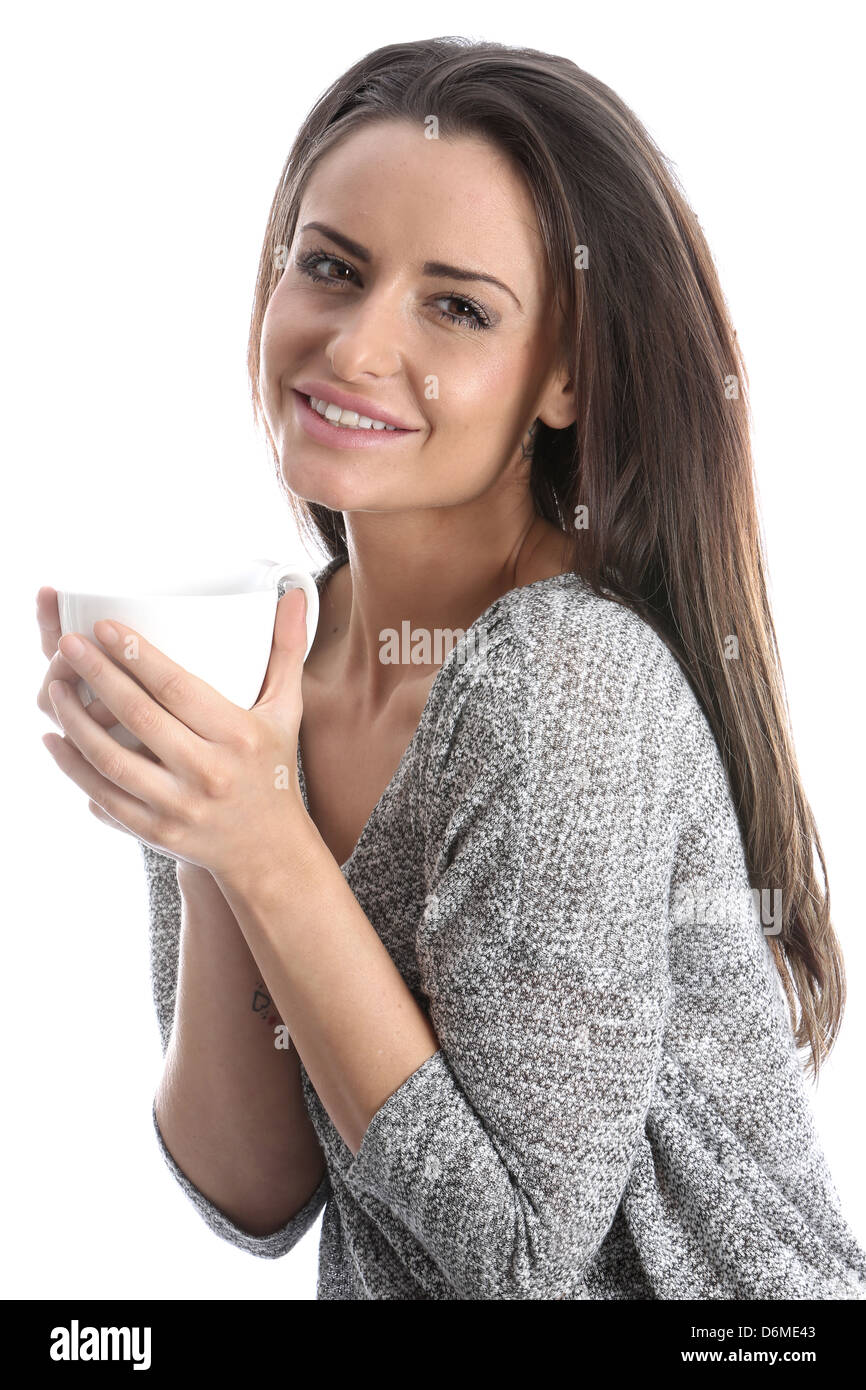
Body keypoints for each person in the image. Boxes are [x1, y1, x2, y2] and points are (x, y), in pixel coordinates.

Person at [37, 36, 866, 1299]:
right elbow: (255, 1195)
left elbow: (520, 1263)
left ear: (563, 377)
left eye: (457, 306)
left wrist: (265, 843)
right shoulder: (259, 654)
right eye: (331, 267)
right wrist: (210, 834)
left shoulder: (566, 682)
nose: (355, 348)